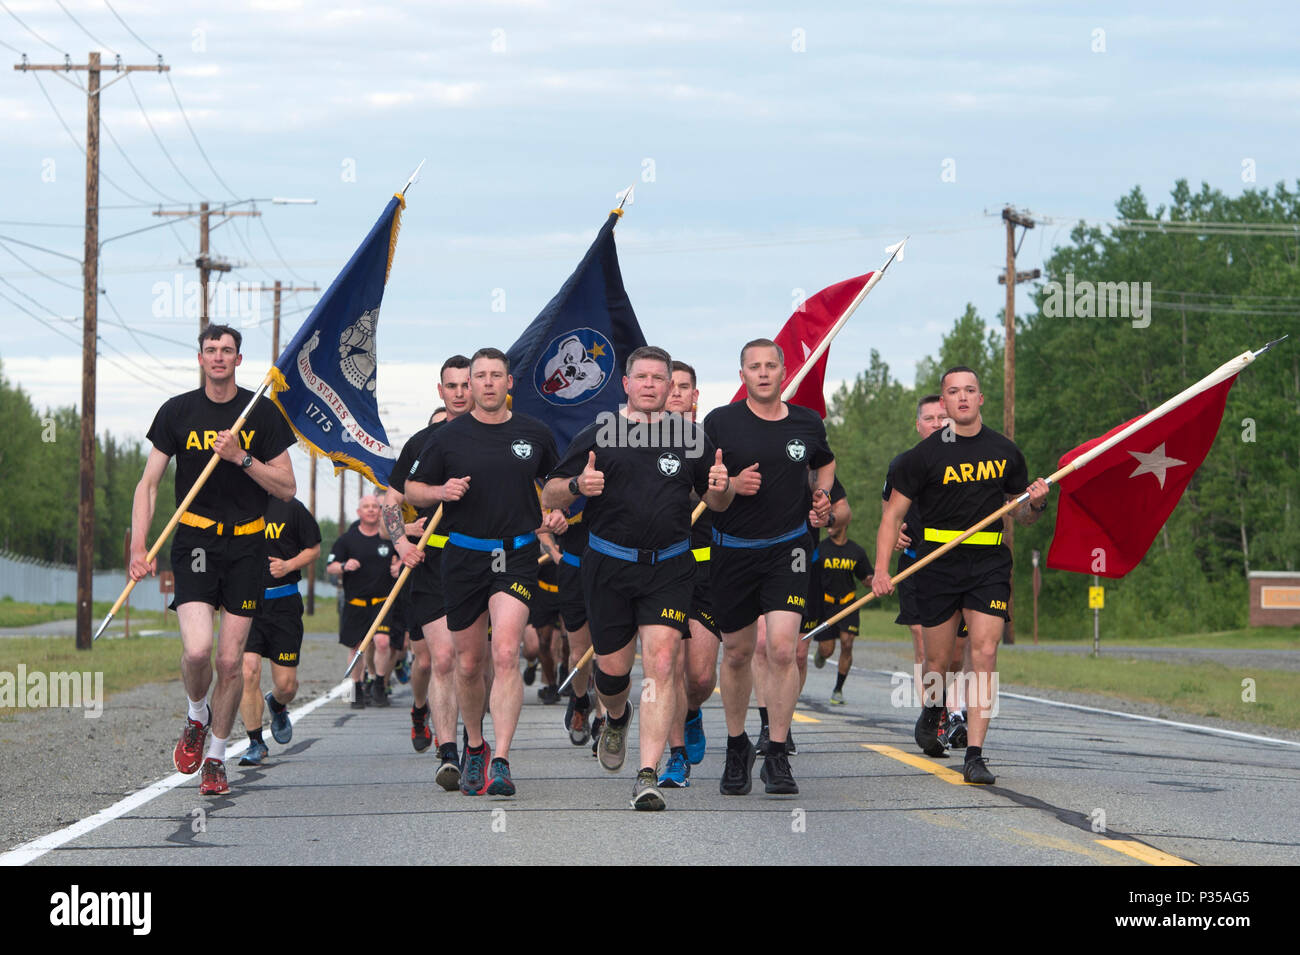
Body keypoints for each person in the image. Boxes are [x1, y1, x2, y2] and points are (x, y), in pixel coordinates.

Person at [543, 346, 733, 810]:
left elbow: (720, 504)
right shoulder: (599, 435)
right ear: (625, 384)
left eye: (658, 378)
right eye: (641, 377)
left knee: (664, 663)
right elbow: (550, 492)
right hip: (608, 565)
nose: (650, 384)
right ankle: (616, 715)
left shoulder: (691, 439)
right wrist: (575, 488)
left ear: (671, 388)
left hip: (670, 565)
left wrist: (720, 488)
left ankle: (647, 774)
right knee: (613, 673)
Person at [129, 324, 296, 796]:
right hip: (196, 542)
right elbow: (148, 484)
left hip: (246, 544)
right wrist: (138, 546)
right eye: (211, 350)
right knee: (199, 650)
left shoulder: (260, 413)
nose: (219, 357)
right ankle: (196, 714)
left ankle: (217, 758)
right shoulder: (177, 412)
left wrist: (242, 457)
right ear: (200, 358)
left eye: (227, 351)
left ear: (239, 360)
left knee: (230, 662)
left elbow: (287, 487)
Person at [872, 367, 1050, 784]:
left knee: (985, 653)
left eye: (970, 390)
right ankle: (934, 709)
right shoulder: (922, 457)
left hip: (988, 562)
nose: (963, 398)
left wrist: (1037, 503)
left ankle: (974, 754)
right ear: (944, 402)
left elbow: (1021, 515)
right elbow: (892, 516)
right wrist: (881, 570)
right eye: (954, 392)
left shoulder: (1006, 452)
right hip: (937, 562)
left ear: (981, 398)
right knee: (940, 660)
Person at [405, 347, 567, 797]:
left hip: (514, 555)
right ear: (470, 385)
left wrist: (558, 514)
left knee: (506, 653)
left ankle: (501, 760)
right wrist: (440, 490)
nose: (489, 383)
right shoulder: (447, 438)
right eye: (481, 377)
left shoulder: (534, 433)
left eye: (497, 375)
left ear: (509, 383)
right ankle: (473, 745)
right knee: (469, 662)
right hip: (462, 556)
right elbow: (411, 488)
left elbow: (554, 487)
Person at [702, 339, 834, 796]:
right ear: (742, 375)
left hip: (789, 550)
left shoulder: (806, 422)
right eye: (753, 367)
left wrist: (822, 497)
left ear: (784, 372)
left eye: (770, 365)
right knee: (738, 652)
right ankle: (737, 746)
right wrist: (731, 486)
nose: (762, 373)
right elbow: (709, 496)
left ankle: (777, 753)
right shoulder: (720, 422)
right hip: (733, 549)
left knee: (782, 649)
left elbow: (826, 463)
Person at [384, 356, 473, 790]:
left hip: (483, 563)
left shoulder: (497, 436)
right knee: (441, 658)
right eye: (450, 386)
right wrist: (401, 542)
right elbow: (390, 501)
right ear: (440, 391)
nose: (458, 392)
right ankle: (448, 750)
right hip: (434, 562)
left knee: (478, 664)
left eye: (465, 384)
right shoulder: (421, 443)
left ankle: (476, 743)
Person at [881, 394, 970, 748]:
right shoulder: (904, 464)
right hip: (916, 565)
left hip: (961, 567)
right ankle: (940, 719)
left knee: (957, 652)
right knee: (924, 645)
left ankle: (952, 711)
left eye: (941, 417)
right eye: (929, 418)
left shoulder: (970, 461)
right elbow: (888, 514)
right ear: (918, 425)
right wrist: (896, 538)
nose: (936, 423)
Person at [661, 361, 719, 787]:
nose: (677, 393)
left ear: (695, 396)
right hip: (662, 565)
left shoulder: (710, 443)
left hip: (706, 562)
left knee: (698, 677)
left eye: (685, 387)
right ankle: (675, 753)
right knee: (667, 666)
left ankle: (693, 710)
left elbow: (728, 499)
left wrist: (717, 486)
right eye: (671, 386)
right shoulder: (642, 442)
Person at [239, 494, 321, 765]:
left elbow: (314, 548)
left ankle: (276, 703)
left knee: (286, 684)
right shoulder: (238, 502)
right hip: (246, 603)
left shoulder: (290, 506)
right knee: (248, 670)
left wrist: (289, 565)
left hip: (284, 603)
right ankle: (255, 742)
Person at [326, 495, 401, 707]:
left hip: (381, 601)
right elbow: (330, 566)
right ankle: (355, 689)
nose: (370, 510)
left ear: (380, 512)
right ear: (358, 512)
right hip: (355, 603)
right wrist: (343, 566)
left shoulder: (388, 538)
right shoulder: (346, 540)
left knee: (382, 642)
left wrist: (399, 565)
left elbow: (406, 554)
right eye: (366, 507)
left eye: (375, 507)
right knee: (356, 647)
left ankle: (379, 684)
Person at [810, 513, 872, 704]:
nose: (829, 524)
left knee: (847, 643)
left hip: (848, 604)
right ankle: (821, 654)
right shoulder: (820, 549)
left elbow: (866, 578)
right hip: (826, 605)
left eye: (833, 521)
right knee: (828, 650)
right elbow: (809, 573)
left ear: (844, 523)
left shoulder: (856, 551)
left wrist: (878, 581)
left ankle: (838, 690)